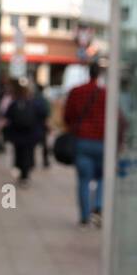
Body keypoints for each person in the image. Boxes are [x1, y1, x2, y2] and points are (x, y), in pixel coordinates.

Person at [64, 61, 116, 227]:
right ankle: (99, 207)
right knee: (102, 176)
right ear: (100, 74)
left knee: (83, 179)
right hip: (102, 142)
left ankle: (85, 216)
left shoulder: (76, 92)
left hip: (82, 141)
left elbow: (67, 115)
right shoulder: (106, 94)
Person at [0, 79, 38, 185]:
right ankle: (25, 174)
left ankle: (22, 172)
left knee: (19, 152)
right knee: (28, 153)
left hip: (17, 133)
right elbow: (40, 116)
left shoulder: (14, 103)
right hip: (30, 133)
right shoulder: (33, 103)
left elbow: (7, 116)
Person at [32, 83, 52, 168]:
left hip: (33, 124)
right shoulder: (45, 100)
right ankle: (45, 161)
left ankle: (32, 162)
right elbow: (48, 113)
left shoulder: (33, 99)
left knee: (32, 144)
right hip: (42, 124)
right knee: (44, 144)